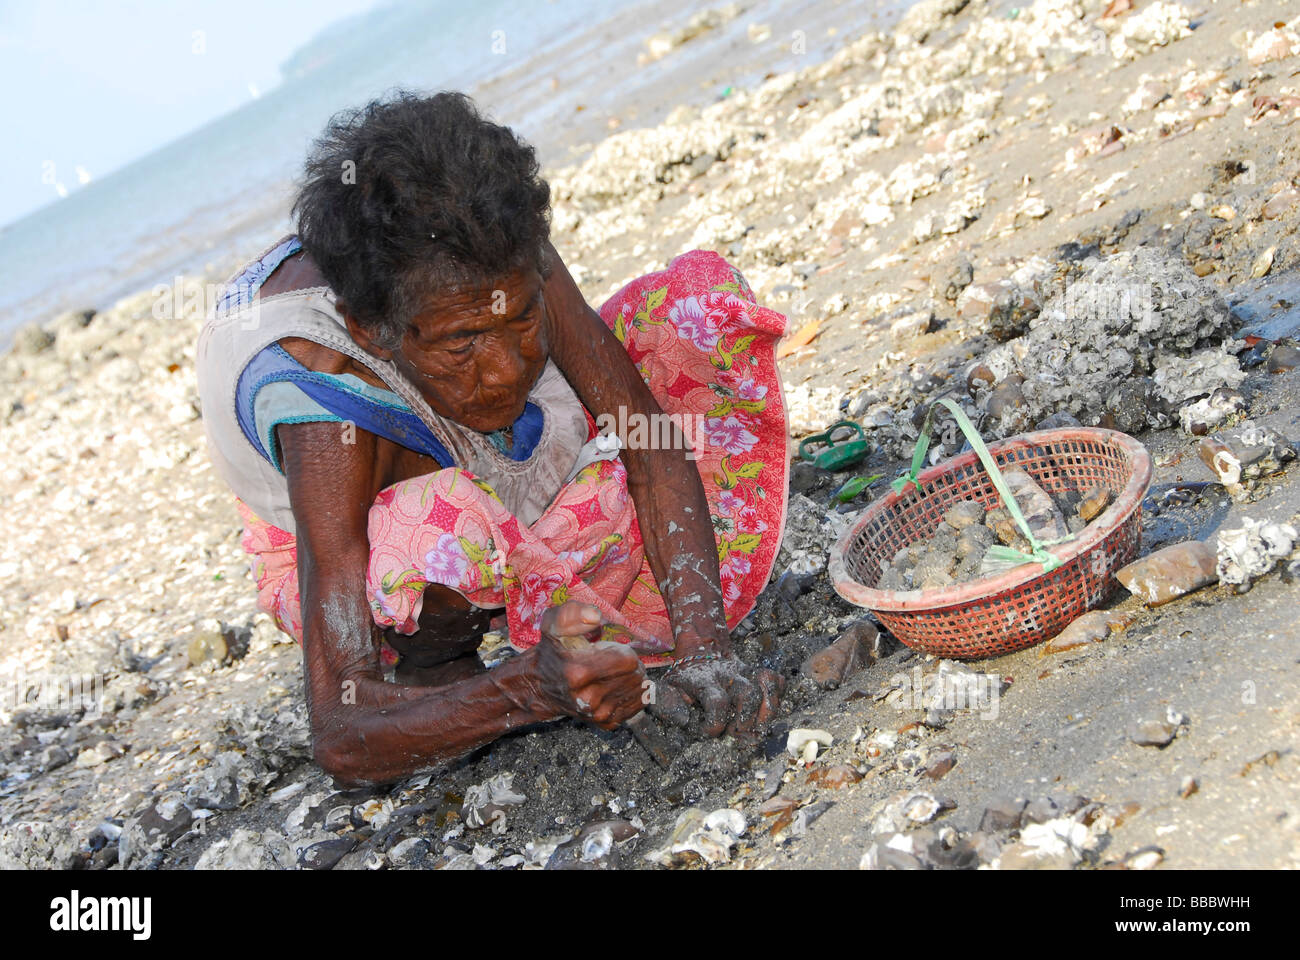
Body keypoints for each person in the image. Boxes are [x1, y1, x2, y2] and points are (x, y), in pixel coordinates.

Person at [196, 92, 790, 785]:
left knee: (686, 322)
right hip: (346, 518)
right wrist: (528, 689)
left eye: (521, 323)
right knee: (433, 531)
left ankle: (537, 608)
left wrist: (704, 650)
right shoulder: (323, 401)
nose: (507, 371)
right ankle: (432, 661)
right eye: (464, 343)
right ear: (371, 330)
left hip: (459, 414)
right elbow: (339, 732)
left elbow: (649, 444)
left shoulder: (493, 242)